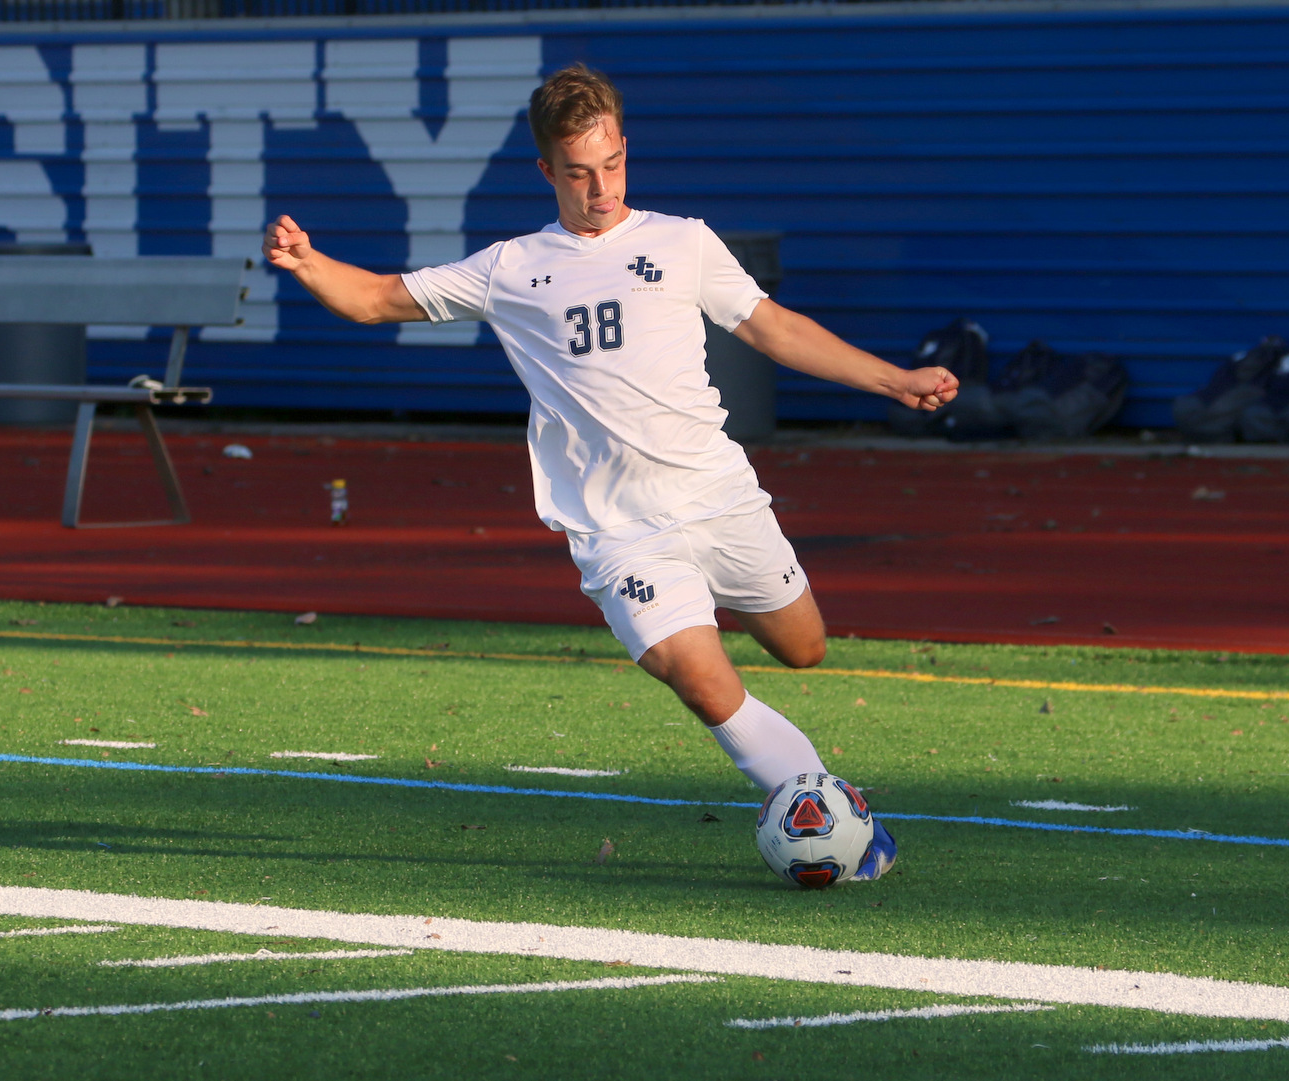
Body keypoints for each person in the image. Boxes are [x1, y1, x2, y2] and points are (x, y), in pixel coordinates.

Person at [264, 63, 958, 883]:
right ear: (547, 172)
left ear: (626, 150)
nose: (600, 187)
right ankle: (832, 820)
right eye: (579, 172)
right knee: (701, 681)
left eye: (612, 165)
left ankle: (776, 725)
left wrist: (894, 378)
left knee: (805, 649)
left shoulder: (683, 241)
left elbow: (773, 328)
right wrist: (309, 263)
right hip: (620, 530)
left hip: (720, 495)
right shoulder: (513, 267)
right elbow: (377, 298)